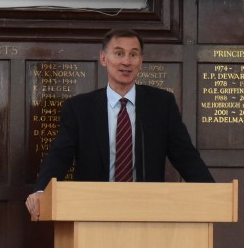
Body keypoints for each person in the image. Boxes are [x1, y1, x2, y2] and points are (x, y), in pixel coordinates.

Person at [25, 30, 212, 219]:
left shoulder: (161, 104)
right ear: (104, 58)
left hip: (147, 211)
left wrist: (211, 193)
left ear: (141, 61)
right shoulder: (79, 108)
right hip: (92, 211)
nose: (126, 62)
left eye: (133, 54)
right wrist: (42, 192)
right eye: (119, 53)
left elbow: (185, 155)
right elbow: (60, 155)